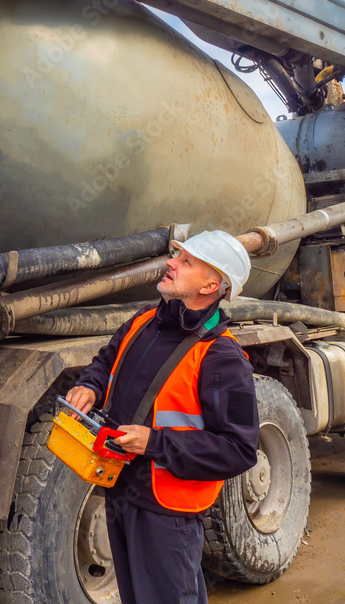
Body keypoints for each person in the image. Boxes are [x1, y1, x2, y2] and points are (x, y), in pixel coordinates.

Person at [65, 230, 260, 603]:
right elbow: (107, 361)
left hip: (167, 512)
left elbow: (238, 449)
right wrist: (91, 385)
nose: (171, 262)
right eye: (178, 255)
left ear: (210, 285)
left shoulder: (223, 359)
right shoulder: (145, 320)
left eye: (186, 261)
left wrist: (153, 442)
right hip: (121, 490)